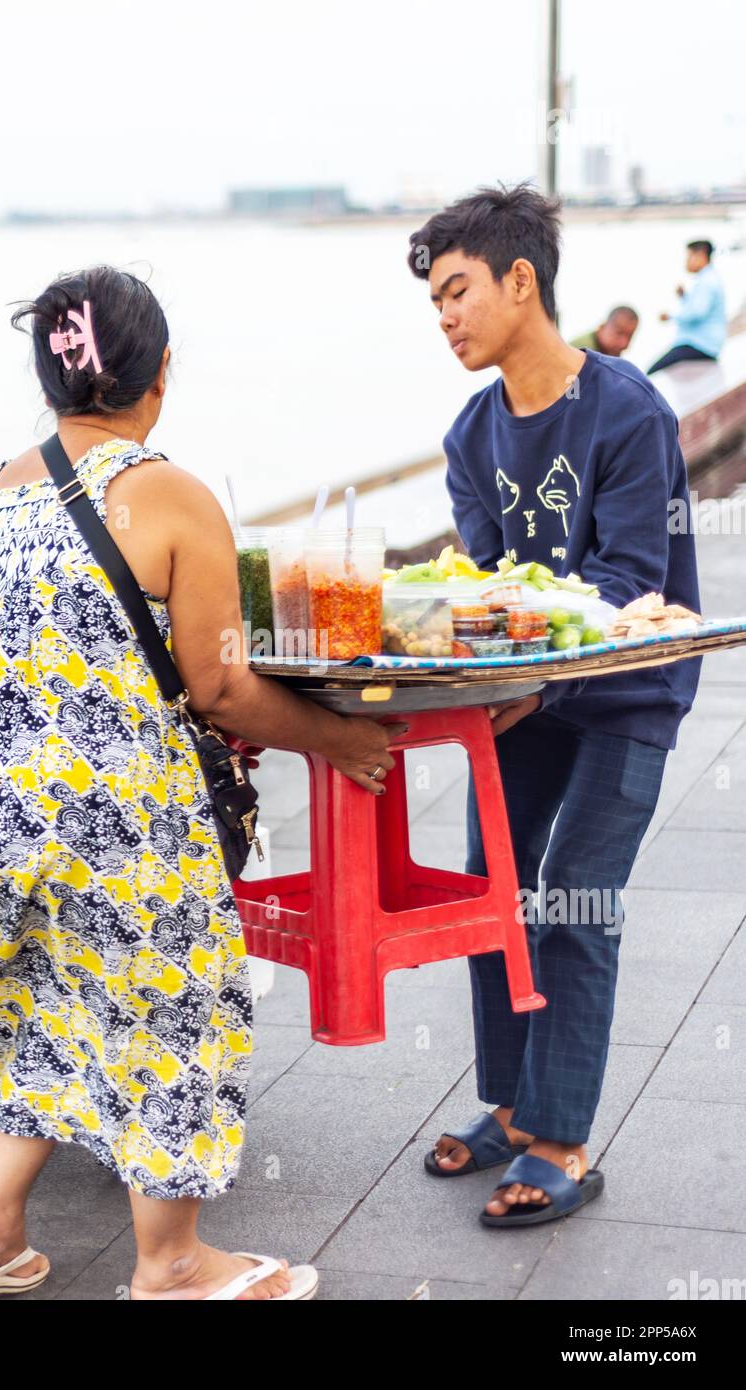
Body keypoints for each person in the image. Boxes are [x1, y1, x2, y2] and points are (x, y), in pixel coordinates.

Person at [0, 265, 405, 1300]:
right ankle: (173, 1263)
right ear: (161, 371)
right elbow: (221, 686)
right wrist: (334, 738)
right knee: (168, 1009)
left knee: (45, 1001)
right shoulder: (170, 491)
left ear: (49, 373)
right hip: (106, 819)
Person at [406, 184, 701, 1228]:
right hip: (531, 698)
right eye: (433, 300)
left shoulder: (626, 410)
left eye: (456, 291)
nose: (443, 316)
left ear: (519, 280)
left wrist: (523, 665)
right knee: (493, 876)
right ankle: (512, 1102)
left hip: (630, 688)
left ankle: (564, 1134)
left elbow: (626, 582)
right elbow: (485, 588)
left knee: (573, 890)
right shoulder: (467, 434)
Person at [648, 239, 726, 373]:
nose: (686, 261)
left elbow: (697, 312)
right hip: (704, 344)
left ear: (701, 256)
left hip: (700, 345)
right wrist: (684, 297)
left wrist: (669, 316)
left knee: (651, 373)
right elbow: (699, 307)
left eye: (689, 256)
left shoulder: (706, 282)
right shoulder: (708, 278)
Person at [569, 304, 638, 357]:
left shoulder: (607, 354)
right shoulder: (581, 352)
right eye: (619, 333)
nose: (624, 344)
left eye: (630, 337)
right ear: (602, 328)